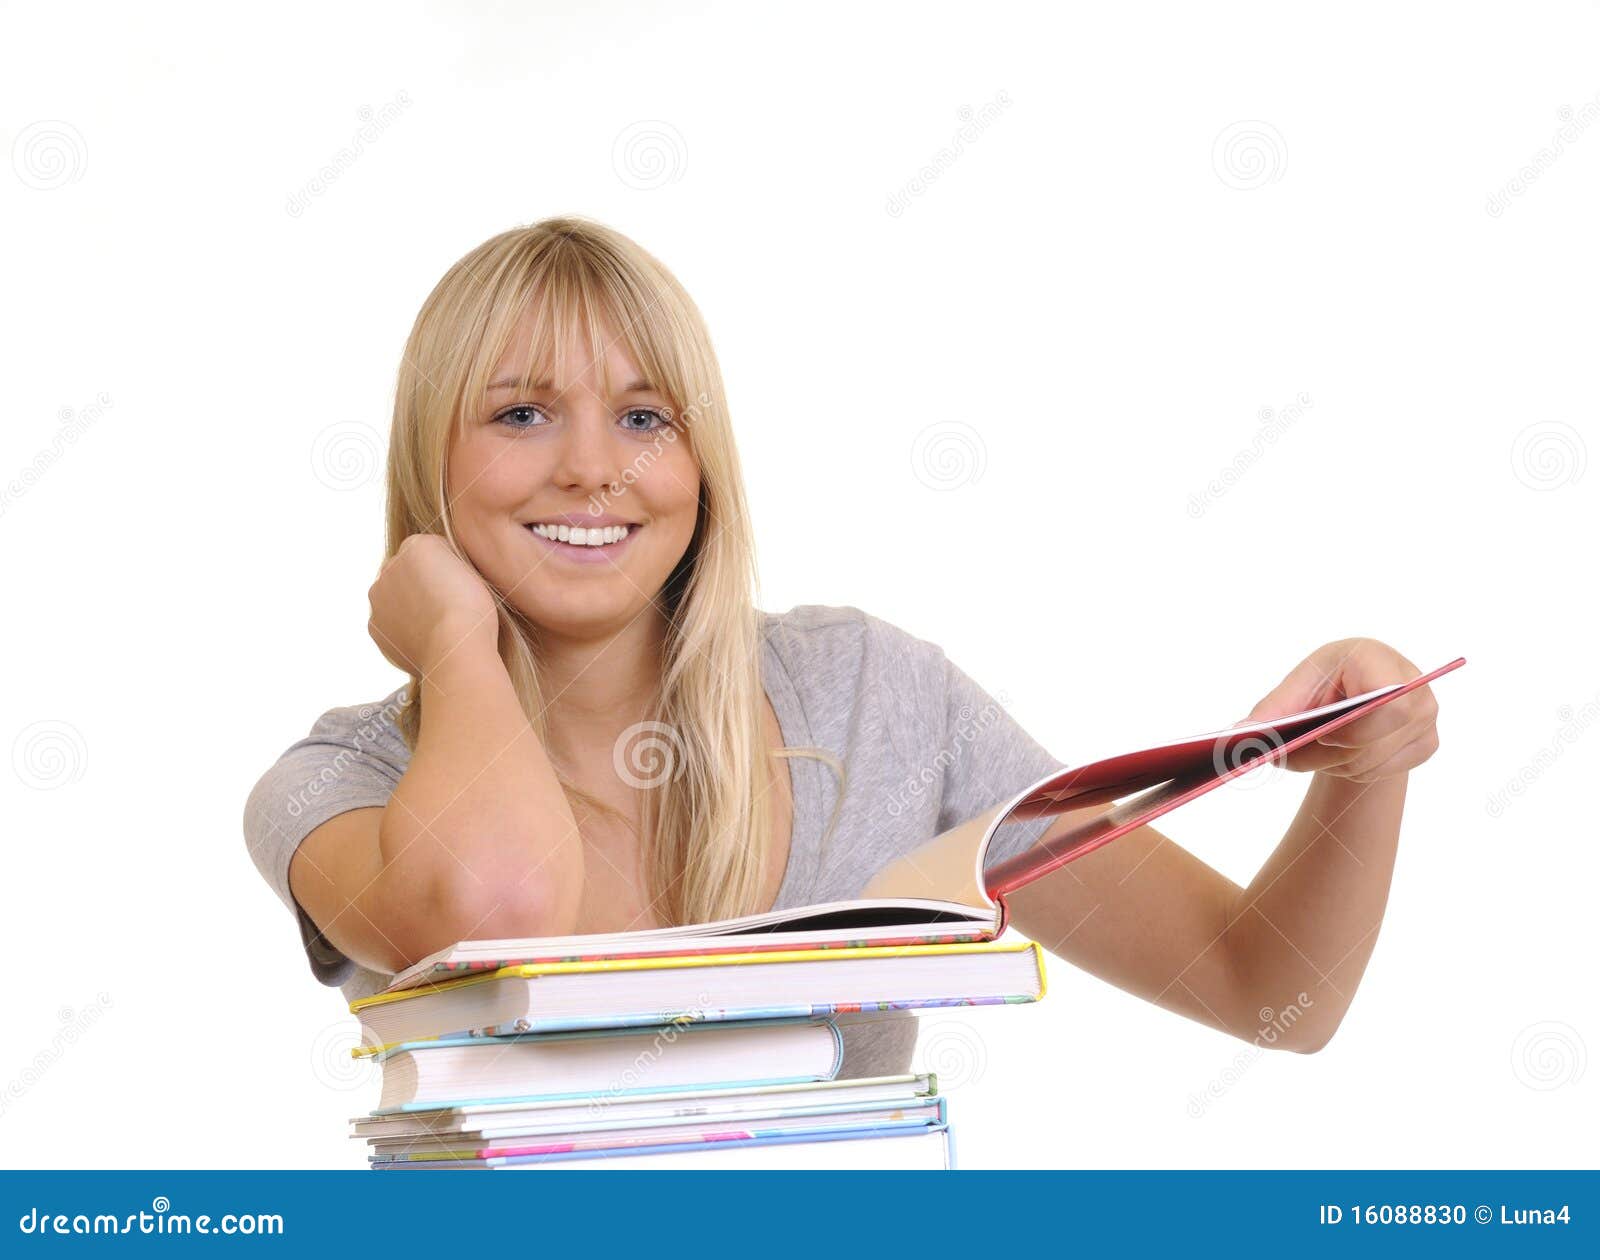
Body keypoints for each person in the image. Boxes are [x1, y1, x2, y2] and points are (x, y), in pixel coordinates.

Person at [243, 216, 1443, 1077]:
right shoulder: (338, 788)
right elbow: (497, 913)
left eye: (646, 416)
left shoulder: (871, 700)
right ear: (427, 466)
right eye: (520, 413)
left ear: (701, 468)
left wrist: (1366, 769)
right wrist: (455, 640)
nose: (592, 467)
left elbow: (1268, 995)